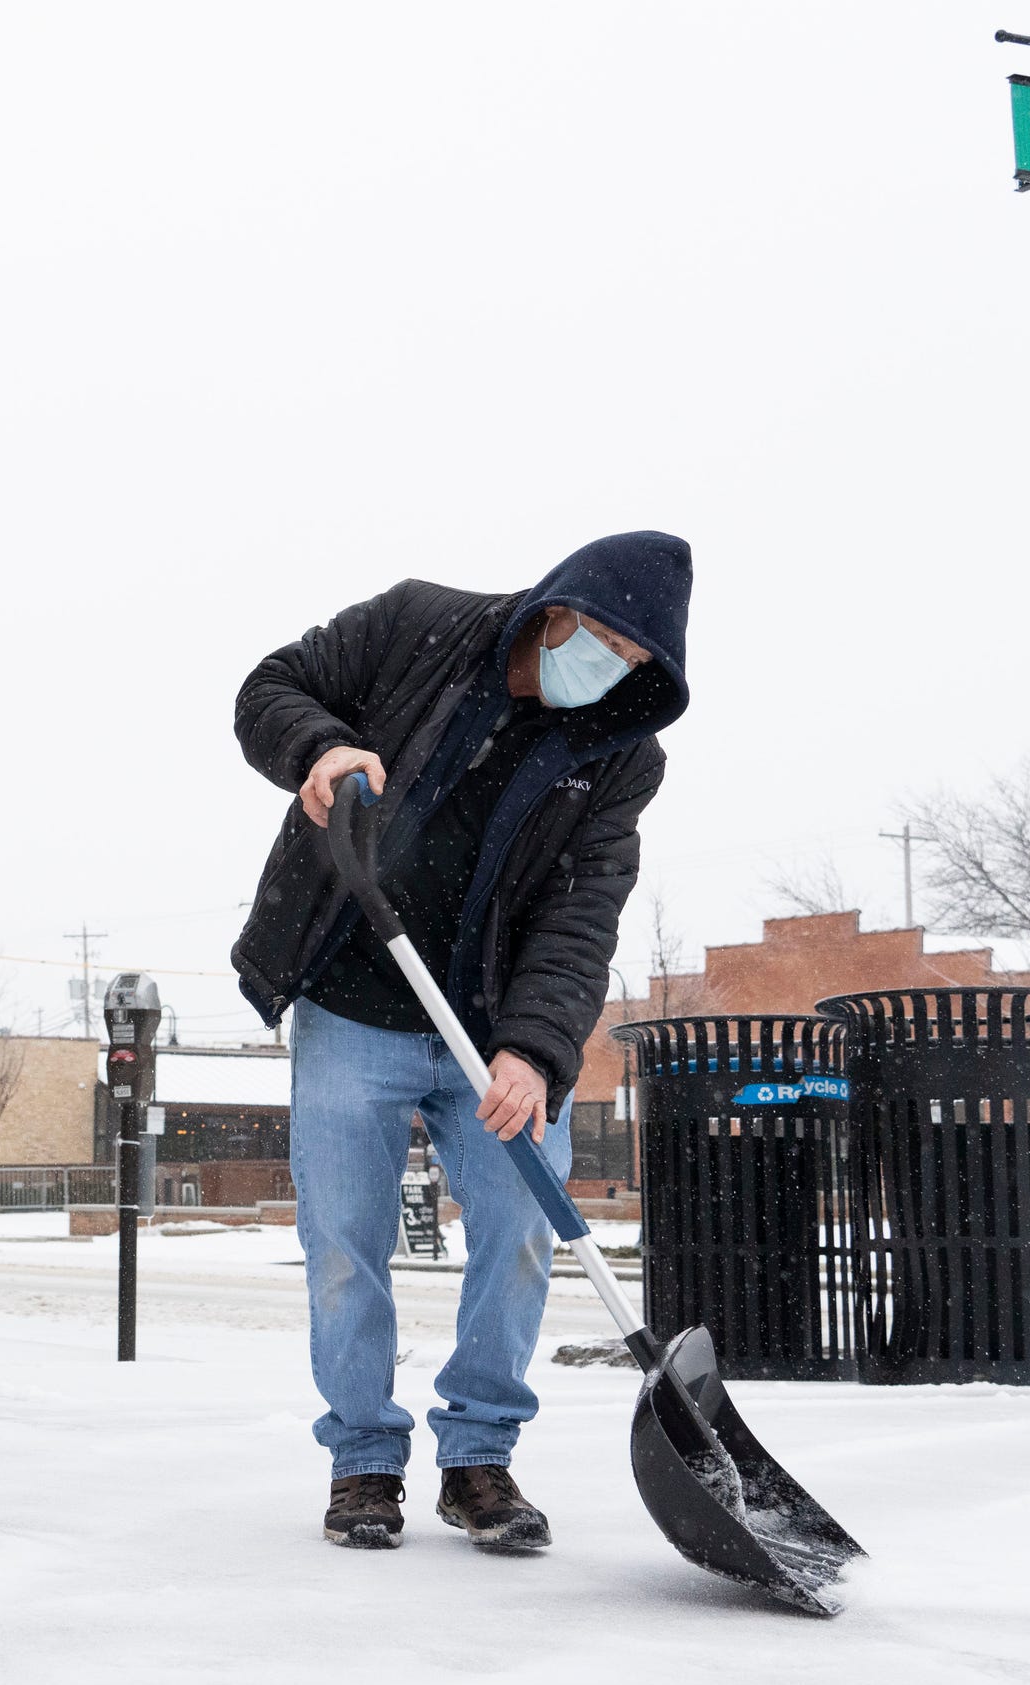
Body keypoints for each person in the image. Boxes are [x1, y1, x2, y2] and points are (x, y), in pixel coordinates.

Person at [230, 531, 691, 1554]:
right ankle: (361, 1462)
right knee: (345, 1246)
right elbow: (271, 686)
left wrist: (534, 1048)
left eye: (634, 661)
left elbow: (583, 909)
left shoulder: (620, 752)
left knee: (522, 1229)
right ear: (556, 608)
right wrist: (318, 747)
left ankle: (479, 1456)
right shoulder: (416, 626)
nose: (608, 667)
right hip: (352, 1006)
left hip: (493, 1036)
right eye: (602, 639)